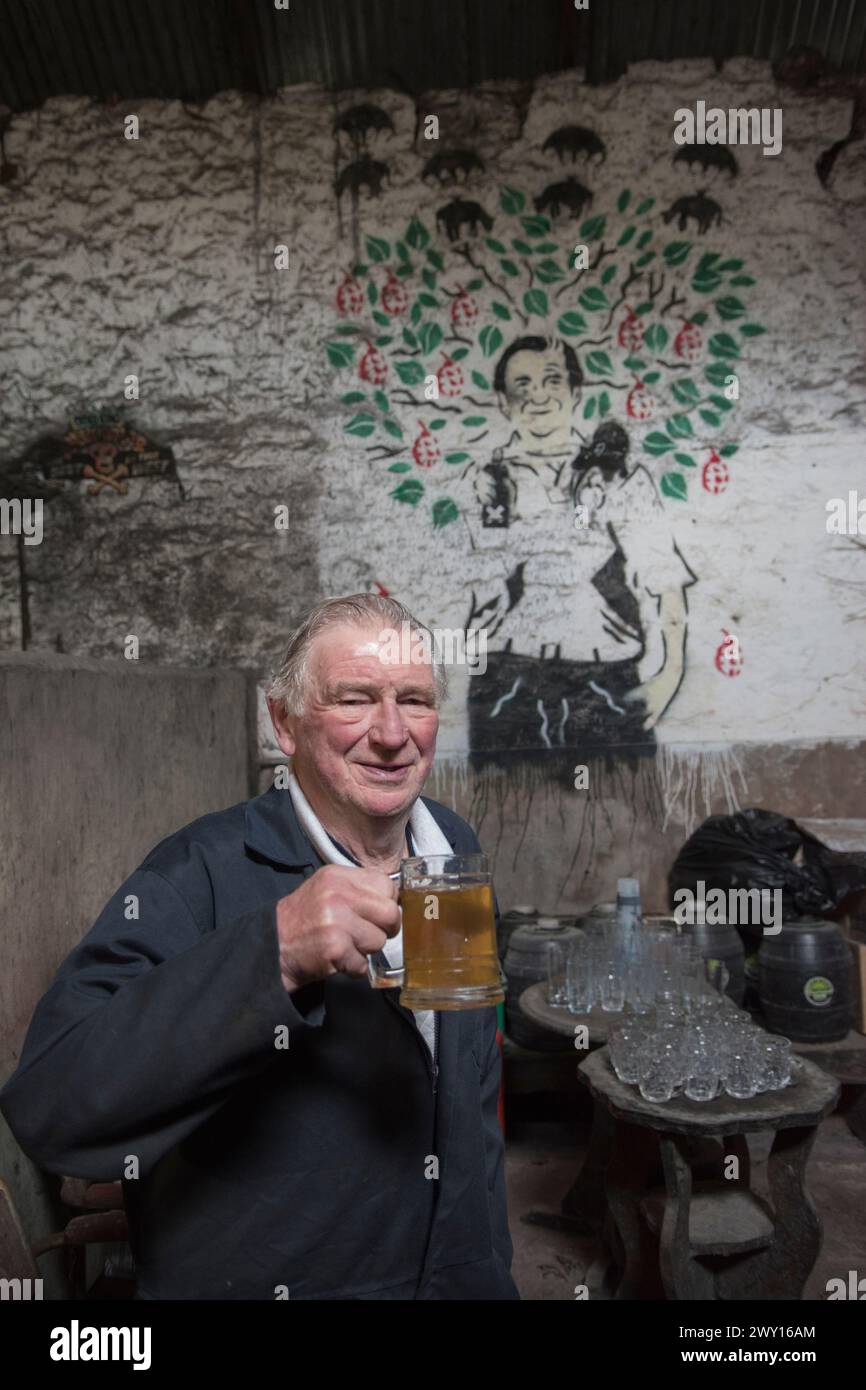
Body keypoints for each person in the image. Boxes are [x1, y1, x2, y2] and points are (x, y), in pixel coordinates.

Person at [0, 594, 517, 1302]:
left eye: (415, 701)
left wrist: (487, 1269)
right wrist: (271, 954)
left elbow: (472, 1097)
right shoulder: (199, 872)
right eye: (355, 699)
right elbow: (50, 1104)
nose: (392, 732)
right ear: (284, 722)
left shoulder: (451, 847)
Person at [462, 335, 696, 778]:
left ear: (575, 392)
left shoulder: (618, 478)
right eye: (522, 385)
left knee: (617, 808)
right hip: (506, 679)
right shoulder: (486, 481)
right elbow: (476, 587)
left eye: (552, 380)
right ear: (502, 401)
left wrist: (670, 674)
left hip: (603, 678)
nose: (538, 397)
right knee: (508, 813)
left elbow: (666, 579)